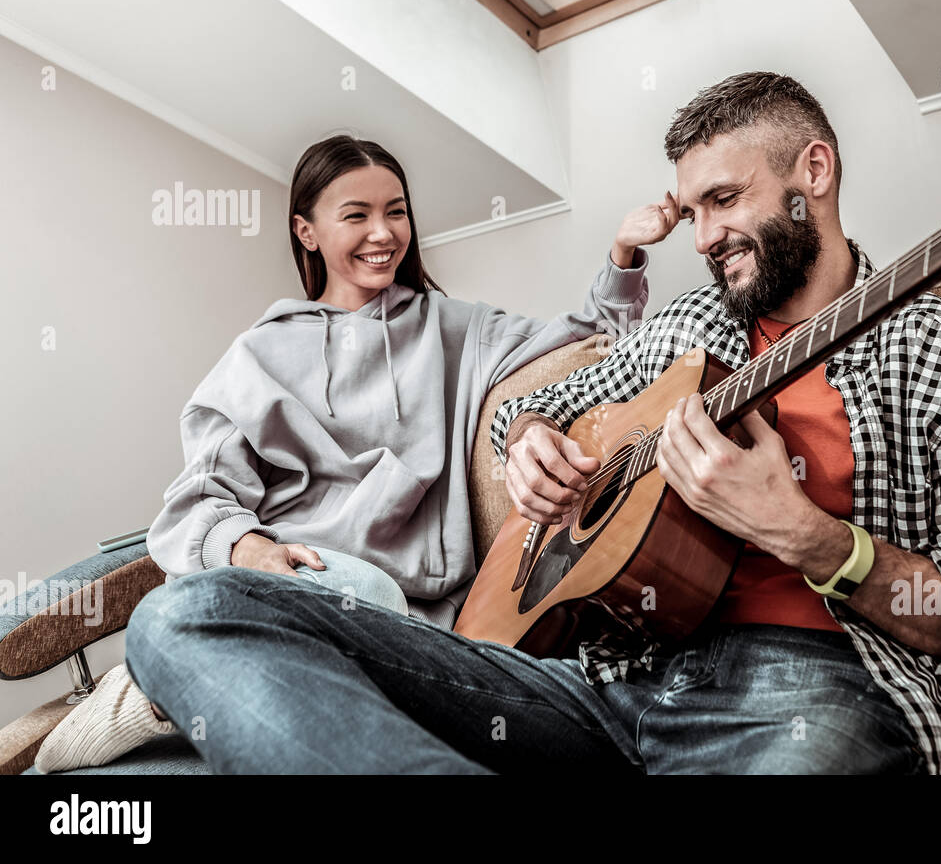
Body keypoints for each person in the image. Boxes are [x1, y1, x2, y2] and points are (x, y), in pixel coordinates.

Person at [124, 73, 941, 774]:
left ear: (813, 172)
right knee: (184, 612)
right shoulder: (687, 325)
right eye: (691, 212)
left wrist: (810, 537)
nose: (701, 238)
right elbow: (547, 404)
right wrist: (526, 438)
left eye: (724, 201)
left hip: (810, 692)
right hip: (605, 679)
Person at [33, 133, 677, 773]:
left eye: (396, 211)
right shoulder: (258, 356)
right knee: (246, 601)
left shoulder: (457, 330)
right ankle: (160, 675)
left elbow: (592, 349)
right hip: (294, 579)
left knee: (358, 597)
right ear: (306, 232)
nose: (383, 232)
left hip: (410, 624)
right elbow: (198, 498)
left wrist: (623, 257)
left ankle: (158, 684)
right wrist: (253, 551)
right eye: (356, 215)